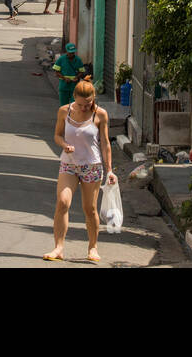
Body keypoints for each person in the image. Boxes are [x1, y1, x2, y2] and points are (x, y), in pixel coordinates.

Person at [45, 79, 116, 263]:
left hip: (92, 166)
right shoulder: (64, 111)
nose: (85, 108)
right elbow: (57, 135)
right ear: (74, 98)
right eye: (81, 104)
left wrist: (110, 170)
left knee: (90, 209)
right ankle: (58, 248)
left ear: (93, 99)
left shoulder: (100, 114)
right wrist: (64, 145)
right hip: (69, 164)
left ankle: (93, 247)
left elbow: (106, 144)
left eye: (89, 103)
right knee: (62, 202)